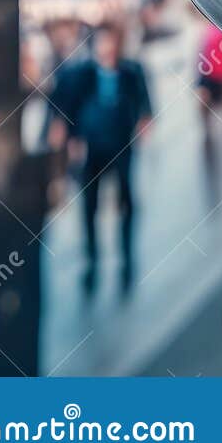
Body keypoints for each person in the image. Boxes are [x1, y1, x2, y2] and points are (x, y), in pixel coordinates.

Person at [50, 21, 152, 295]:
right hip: (91, 149)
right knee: (89, 206)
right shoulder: (80, 74)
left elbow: (144, 102)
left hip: (121, 146)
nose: (107, 48)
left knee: (127, 202)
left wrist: (144, 121)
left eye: (112, 42)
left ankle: (127, 260)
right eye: (102, 42)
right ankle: (92, 261)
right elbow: (64, 103)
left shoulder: (132, 71)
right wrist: (68, 135)